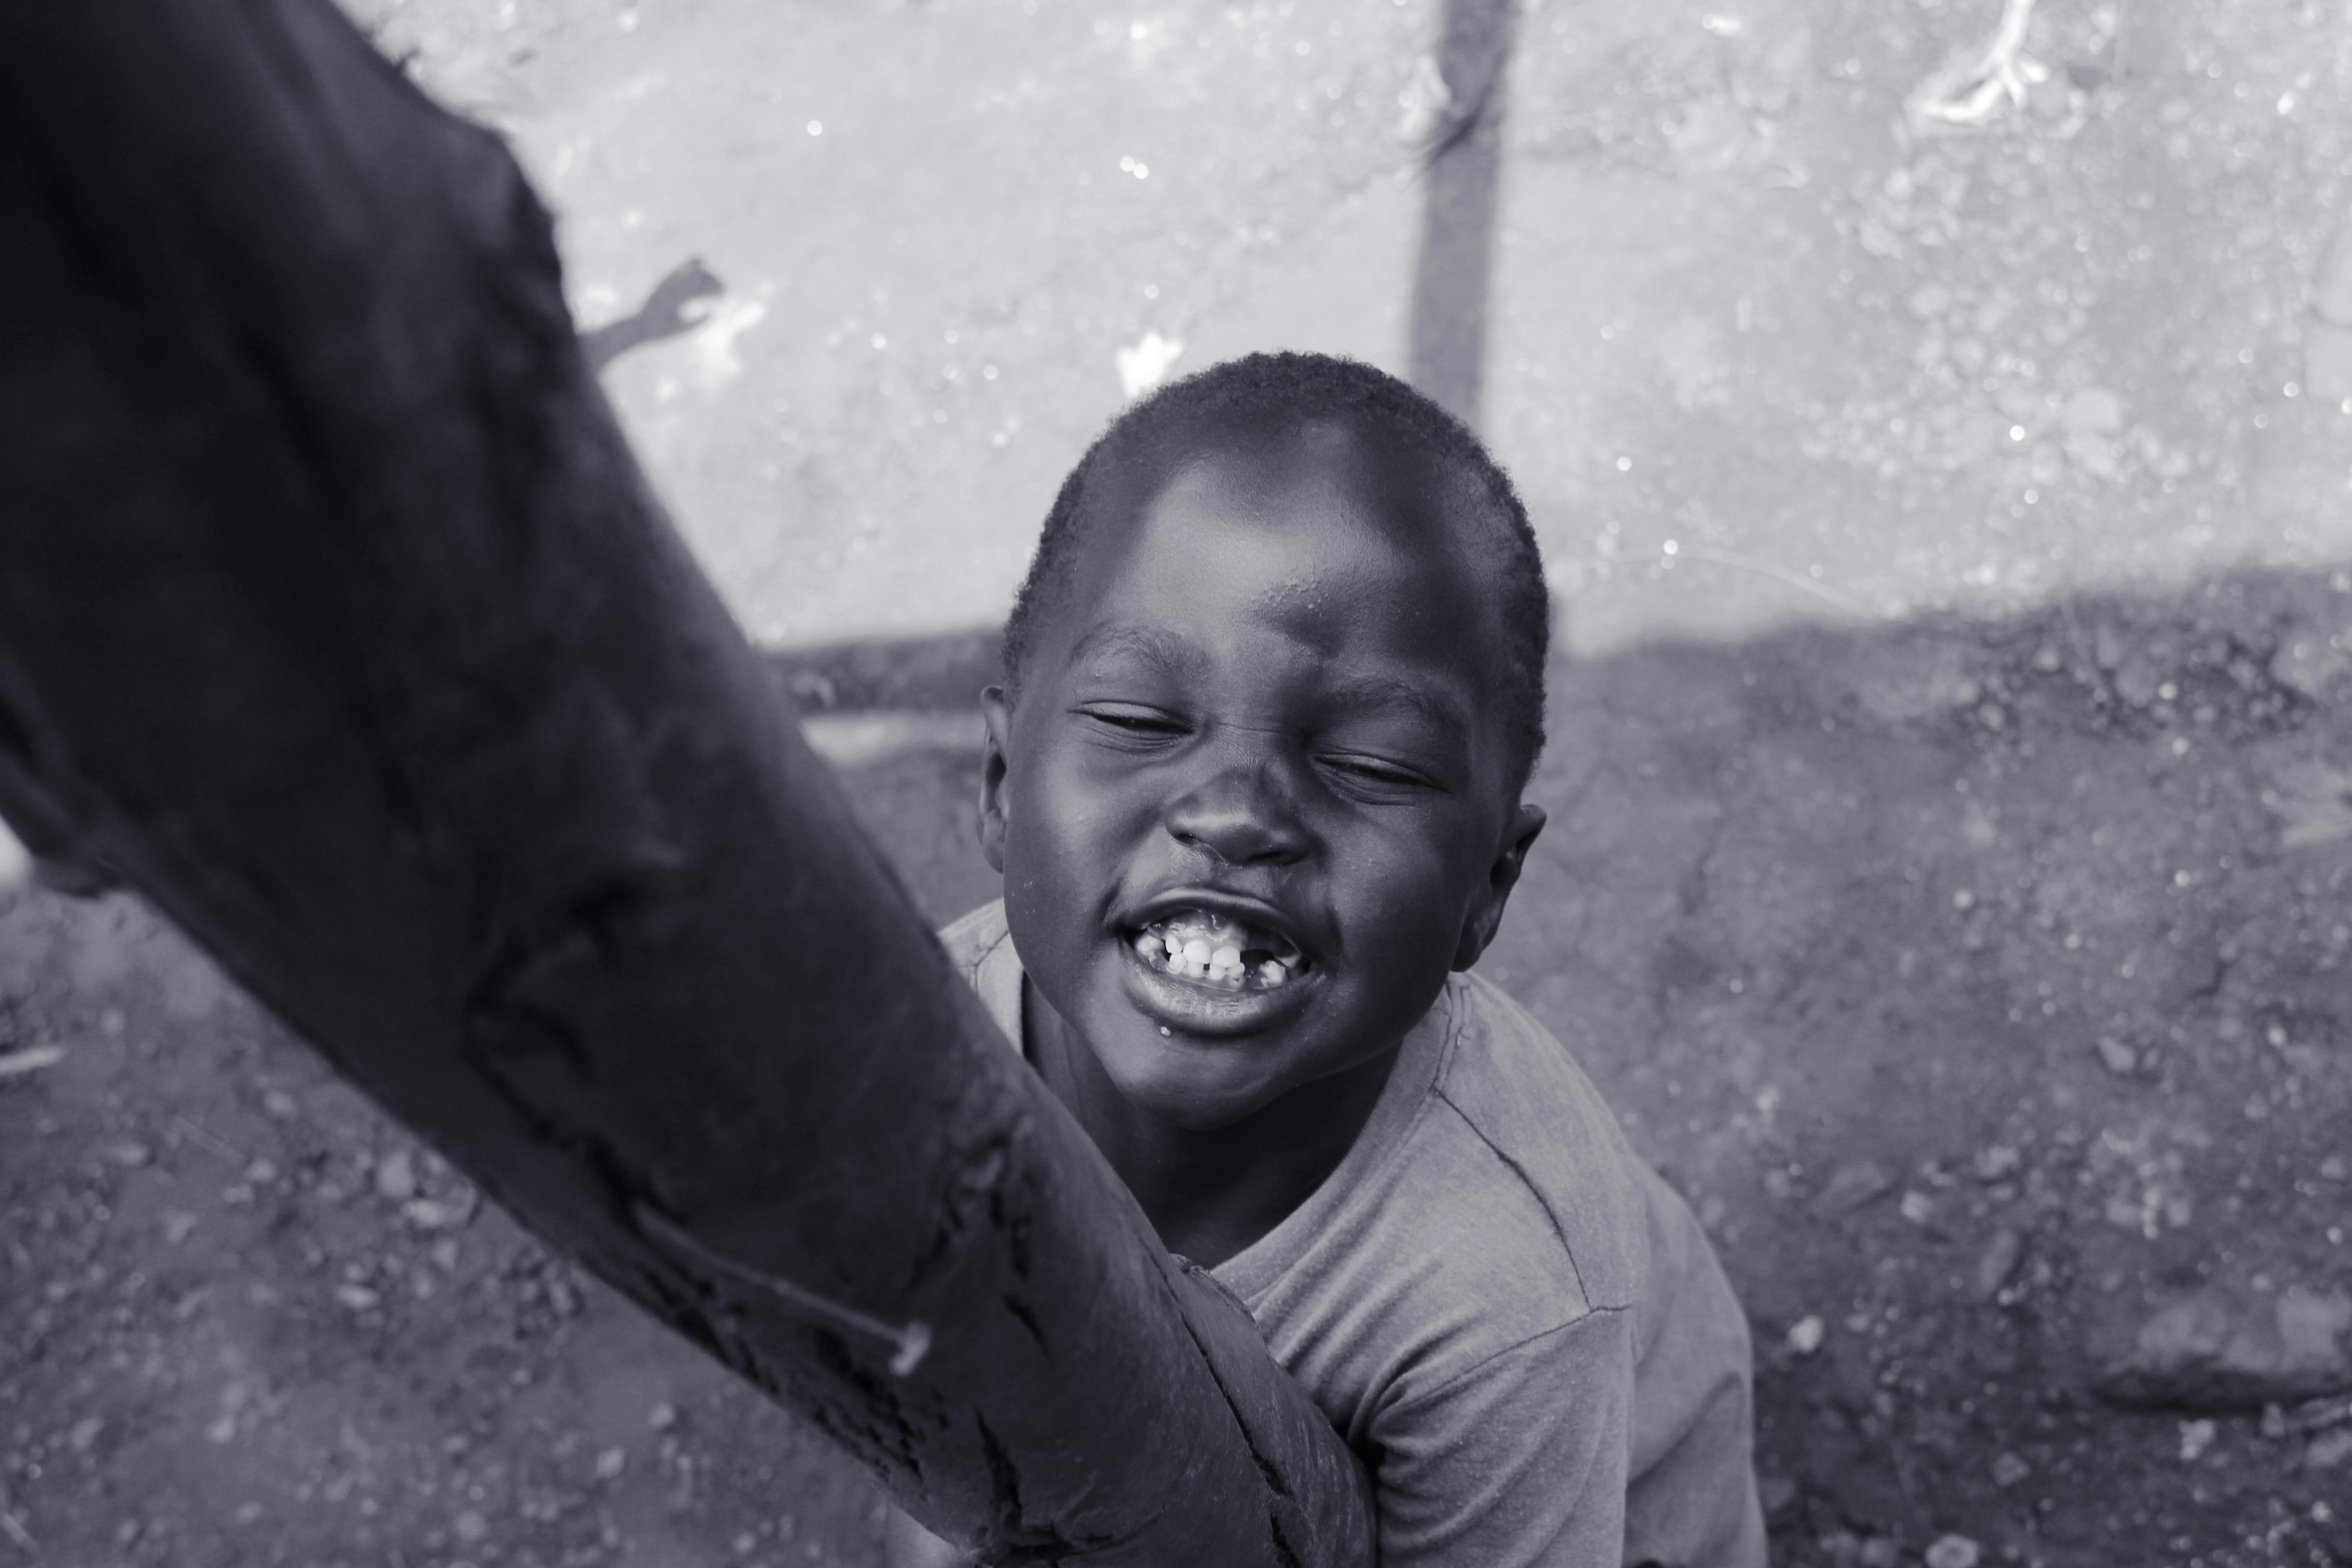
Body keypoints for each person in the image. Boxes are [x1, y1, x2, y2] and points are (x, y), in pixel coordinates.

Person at [885, 352, 1765, 1568]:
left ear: (1487, 891)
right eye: (1143, 721)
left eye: (1374, 766)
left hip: (1613, 1484)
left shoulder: (1503, 1297)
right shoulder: (907, 1065)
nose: (1239, 811)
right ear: (998, 784)